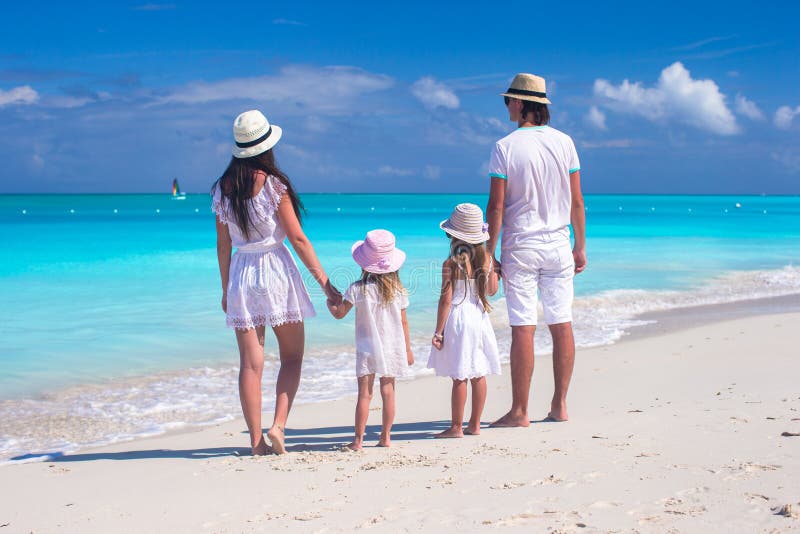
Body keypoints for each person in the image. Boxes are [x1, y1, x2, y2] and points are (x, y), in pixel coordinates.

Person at [212, 110, 340, 455]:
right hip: (276, 271)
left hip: (241, 273)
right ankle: (278, 426)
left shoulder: (222, 190)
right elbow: (298, 239)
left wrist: (226, 289)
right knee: (293, 357)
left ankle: (256, 443)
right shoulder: (273, 186)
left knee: (250, 365)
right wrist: (327, 286)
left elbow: (223, 246)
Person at [485, 73, 587, 427]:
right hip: (559, 244)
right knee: (562, 325)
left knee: (523, 328)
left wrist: (488, 251)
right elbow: (576, 200)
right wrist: (580, 246)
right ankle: (559, 406)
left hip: (521, 247)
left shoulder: (505, 147)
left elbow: (496, 207)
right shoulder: (565, 143)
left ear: (522, 103)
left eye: (508, 100)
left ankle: (519, 411)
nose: (507, 107)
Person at [327, 229, 414, 450]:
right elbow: (404, 323)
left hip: (367, 348)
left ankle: (358, 441)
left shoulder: (357, 289)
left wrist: (330, 303)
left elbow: (339, 314)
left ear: (364, 264)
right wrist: (408, 349)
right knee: (388, 391)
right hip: (392, 346)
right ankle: (385, 437)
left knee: (364, 394)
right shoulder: (399, 291)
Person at [427, 203, 501, 438]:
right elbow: (491, 291)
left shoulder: (450, 264)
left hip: (459, 320)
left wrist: (439, 332)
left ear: (453, 235)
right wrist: (493, 272)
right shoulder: (487, 259)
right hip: (479, 318)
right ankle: (475, 425)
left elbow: (445, 301)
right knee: (478, 372)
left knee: (460, 375)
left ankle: (456, 427)